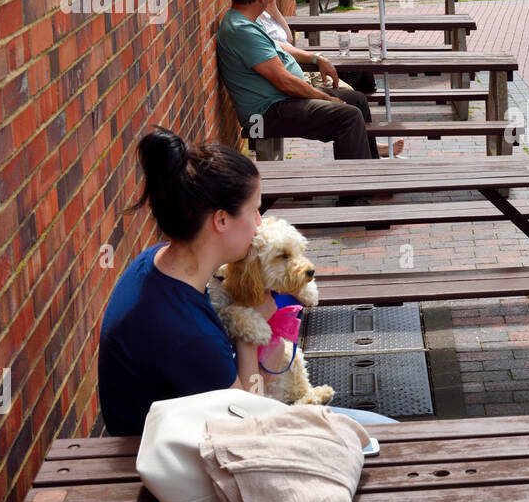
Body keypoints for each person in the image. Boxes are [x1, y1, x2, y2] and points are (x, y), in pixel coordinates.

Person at [97, 127, 398, 435]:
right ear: (221, 220)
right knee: (389, 433)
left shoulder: (154, 261)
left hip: (170, 434)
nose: (259, 224)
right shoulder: (188, 333)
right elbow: (250, 427)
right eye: (254, 210)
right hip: (181, 457)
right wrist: (249, 329)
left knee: (383, 429)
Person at [215, 0, 402, 162]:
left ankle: (370, 168)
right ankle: (355, 189)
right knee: (349, 116)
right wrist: (325, 98)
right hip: (265, 114)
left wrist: (316, 58)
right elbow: (285, 82)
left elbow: (278, 45)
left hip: (283, 100)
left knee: (357, 100)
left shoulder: (245, 19)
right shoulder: (241, 31)